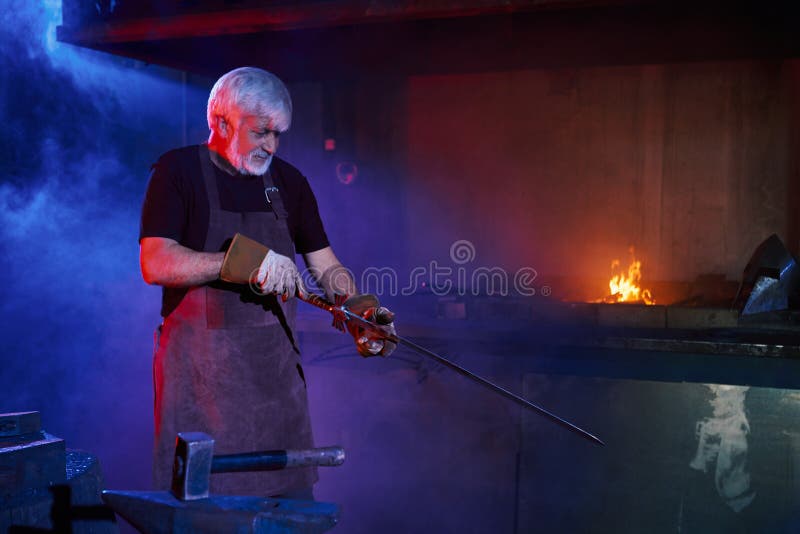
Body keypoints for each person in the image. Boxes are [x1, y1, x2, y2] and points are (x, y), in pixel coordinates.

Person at [139, 67, 395, 498]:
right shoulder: (177, 171)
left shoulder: (289, 183)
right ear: (221, 122)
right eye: (261, 132)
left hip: (277, 397)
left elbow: (325, 264)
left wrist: (357, 308)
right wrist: (237, 262)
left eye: (279, 134)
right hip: (200, 398)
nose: (271, 146)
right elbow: (155, 262)